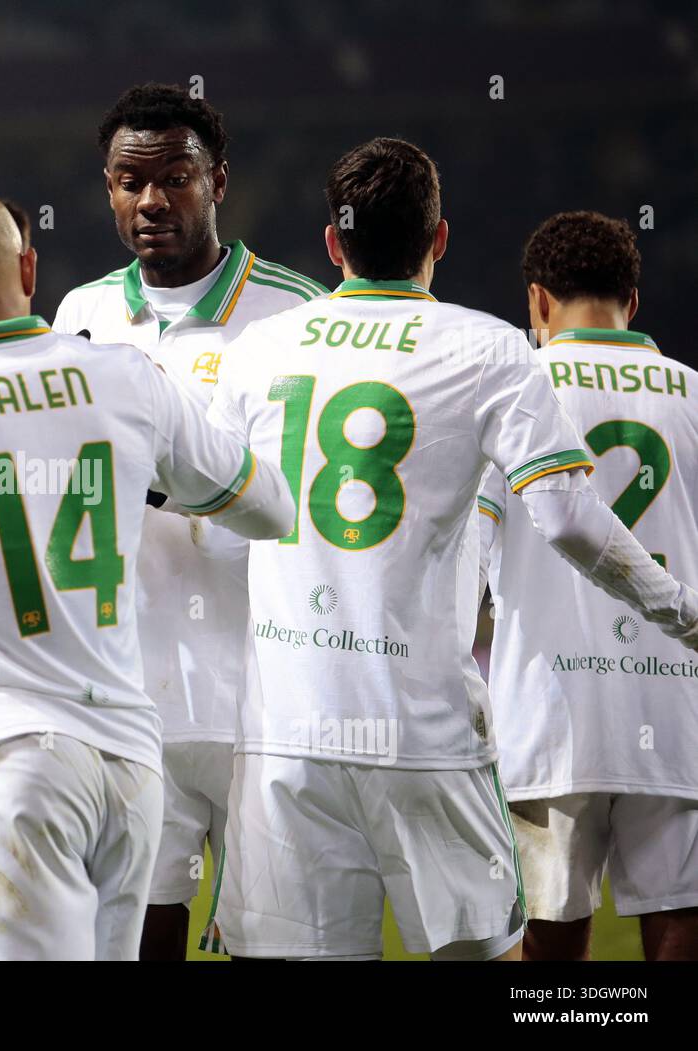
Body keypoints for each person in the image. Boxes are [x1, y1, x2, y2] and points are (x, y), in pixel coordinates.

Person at [205, 138, 698, 961]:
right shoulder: (489, 348)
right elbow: (570, 519)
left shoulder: (262, 348)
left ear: (333, 244)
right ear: (439, 240)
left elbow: (220, 509)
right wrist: (681, 613)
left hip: (287, 730)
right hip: (421, 729)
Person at [0, 186, 296, 960]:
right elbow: (271, 508)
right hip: (130, 765)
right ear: (29, 267)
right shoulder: (127, 379)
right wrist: (147, 471)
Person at [53, 83, 328, 958]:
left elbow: (307, 499)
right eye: (130, 182)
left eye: (176, 177)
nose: (152, 202)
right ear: (106, 187)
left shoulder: (298, 313)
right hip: (130, 686)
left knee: (274, 935)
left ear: (219, 182)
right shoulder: (81, 316)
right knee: (140, 926)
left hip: (265, 687)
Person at [479, 210, 698, 961]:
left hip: (549, 717)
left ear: (537, 302)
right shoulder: (693, 393)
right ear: (632, 302)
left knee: (548, 940)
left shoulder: (512, 388)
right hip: (677, 711)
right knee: (680, 925)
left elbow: (471, 554)